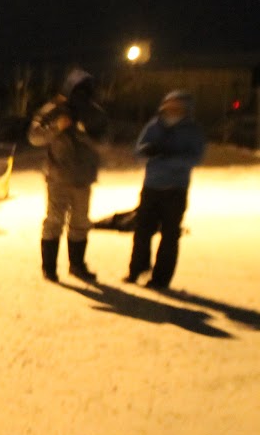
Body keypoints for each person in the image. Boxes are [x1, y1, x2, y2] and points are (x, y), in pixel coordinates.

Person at [28, 68, 108, 282]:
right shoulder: (52, 110)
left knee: (80, 223)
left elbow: (104, 142)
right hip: (58, 177)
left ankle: (77, 265)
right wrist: (56, 127)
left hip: (83, 178)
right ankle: (49, 267)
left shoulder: (94, 112)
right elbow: (34, 137)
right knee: (54, 221)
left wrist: (83, 133)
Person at [126, 90, 205, 289]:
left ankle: (161, 279)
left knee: (170, 235)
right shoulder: (154, 126)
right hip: (151, 187)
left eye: (177, 105)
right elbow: (139, 152)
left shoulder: (192, 130)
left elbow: (194, 158)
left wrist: (168, 157)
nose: (172, 108)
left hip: (175, 189)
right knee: (142, 231)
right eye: (170, 104)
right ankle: (137, 269)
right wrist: (147, 153)